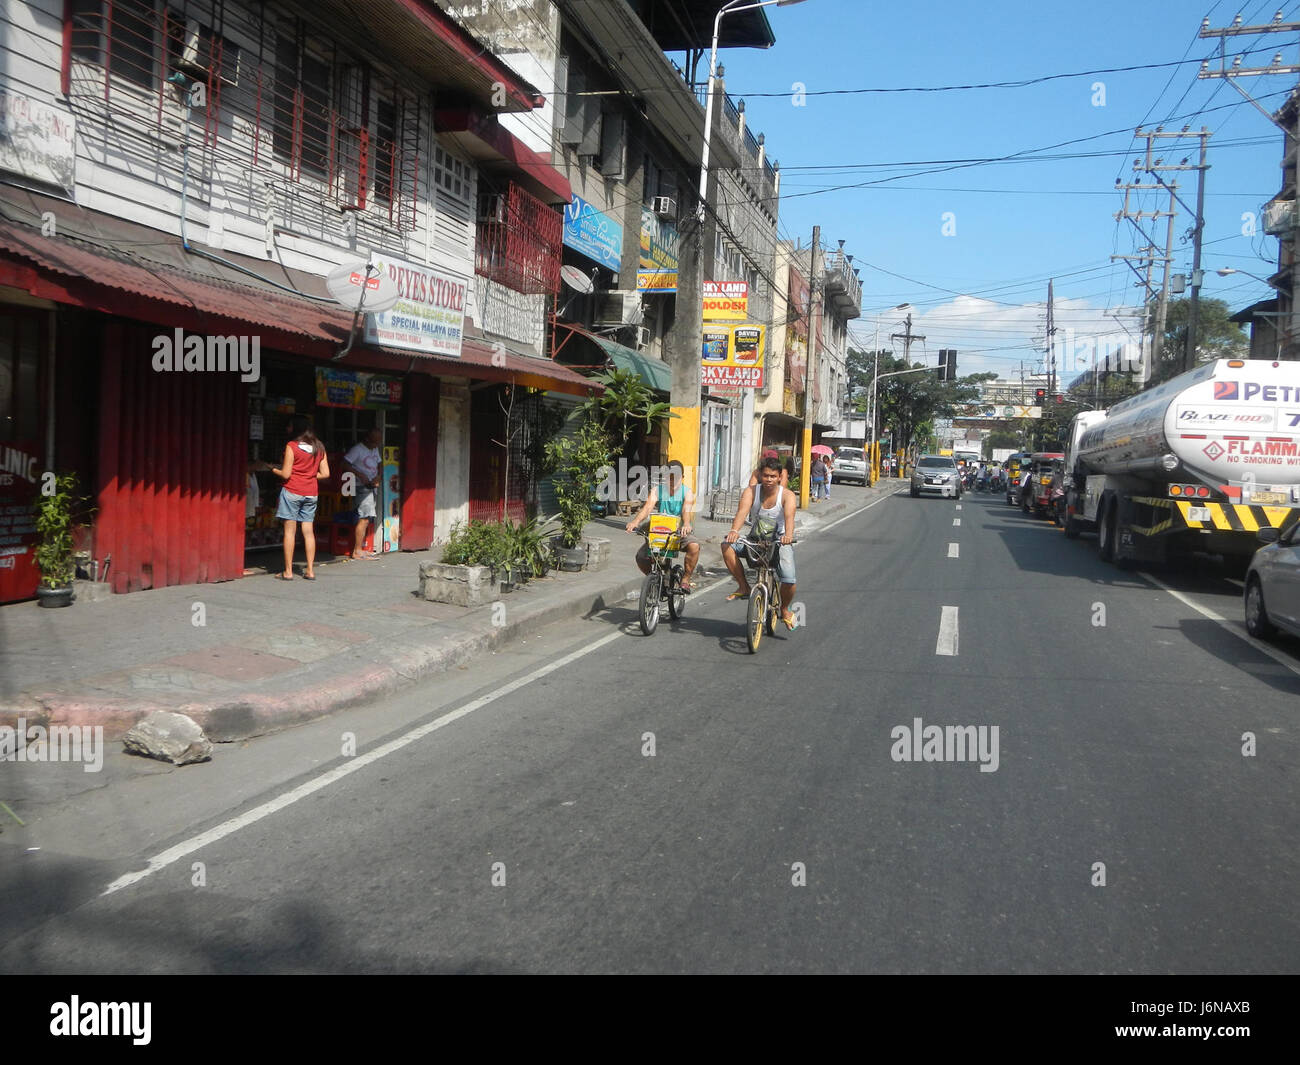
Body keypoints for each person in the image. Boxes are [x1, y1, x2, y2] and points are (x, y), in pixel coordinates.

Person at [722, 456, 799, 630]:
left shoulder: (787, 495)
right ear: (760, 476)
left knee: (789, 580)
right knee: (726, 545)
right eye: (765, 476)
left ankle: (785, 609)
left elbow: (789, 518)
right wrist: (734, 531)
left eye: (773, 476)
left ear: (780, 477)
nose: (769, 480)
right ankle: (743, 586)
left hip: (779, 540)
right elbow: (742, 512)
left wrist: (788, 536)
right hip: (755, 538)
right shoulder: (751, 491)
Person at [268, 414, 330, 580]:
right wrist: (309, 475)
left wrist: (272, 469)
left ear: (295, 428)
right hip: (311, 493)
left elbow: (286, 473)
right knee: (308, 531)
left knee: (290, 531)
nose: (287, 429)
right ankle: (310, 570)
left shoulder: (292, 446)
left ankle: (288, 572)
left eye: (289, 426)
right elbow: (326, 473)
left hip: (292, 491)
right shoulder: (319, 447)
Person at [625, 460, 701, 592]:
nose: (672, 480)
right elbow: (648, 507)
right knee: (641, 557)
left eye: (676, 477)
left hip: (679, 532)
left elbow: (686, 510)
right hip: (659, 530)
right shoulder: (657, 490)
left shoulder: (687, 492)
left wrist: (687, 524)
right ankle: (656, 579)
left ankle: (686, 579)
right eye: (670, 476)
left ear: (682, 478)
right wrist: (635, 522)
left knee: (694, 546)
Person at [342, 428, 382, 560]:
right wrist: (360, 474)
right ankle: (357, 551)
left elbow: (380, 463)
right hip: (361, 487)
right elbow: (345, 464)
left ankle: (361, 549)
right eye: (374, 442)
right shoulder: (357, 449)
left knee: (367, 518)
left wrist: (378, 476)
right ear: (367, 439)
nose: (376, 445)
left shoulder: (374, 448)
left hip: (372, 486)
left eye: (378, 442)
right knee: (364, 518)